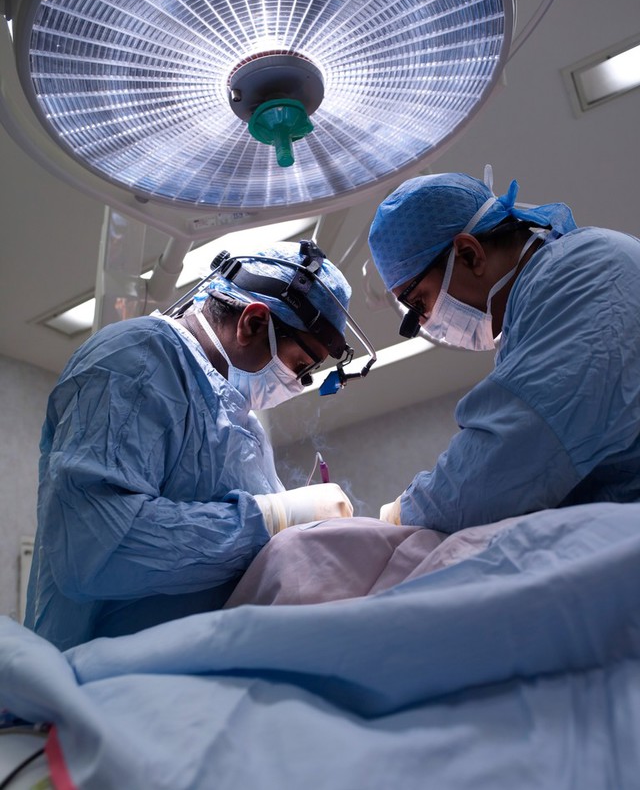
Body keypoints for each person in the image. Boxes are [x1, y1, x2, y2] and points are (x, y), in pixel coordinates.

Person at [25, 240, 362, 650]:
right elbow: (93, 552)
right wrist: (270, 520)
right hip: (106, 682)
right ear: (253, 323)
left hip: (198, 673)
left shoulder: (244, 423)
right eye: (301, 366)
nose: (299, 383)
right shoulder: (136, 359)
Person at [368, 168, 640, 534]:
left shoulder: (583, 274)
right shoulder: (542, 304)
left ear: (469, 254)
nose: (428, 323)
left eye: (420, 304)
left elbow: (504, 462)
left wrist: (401, 515)